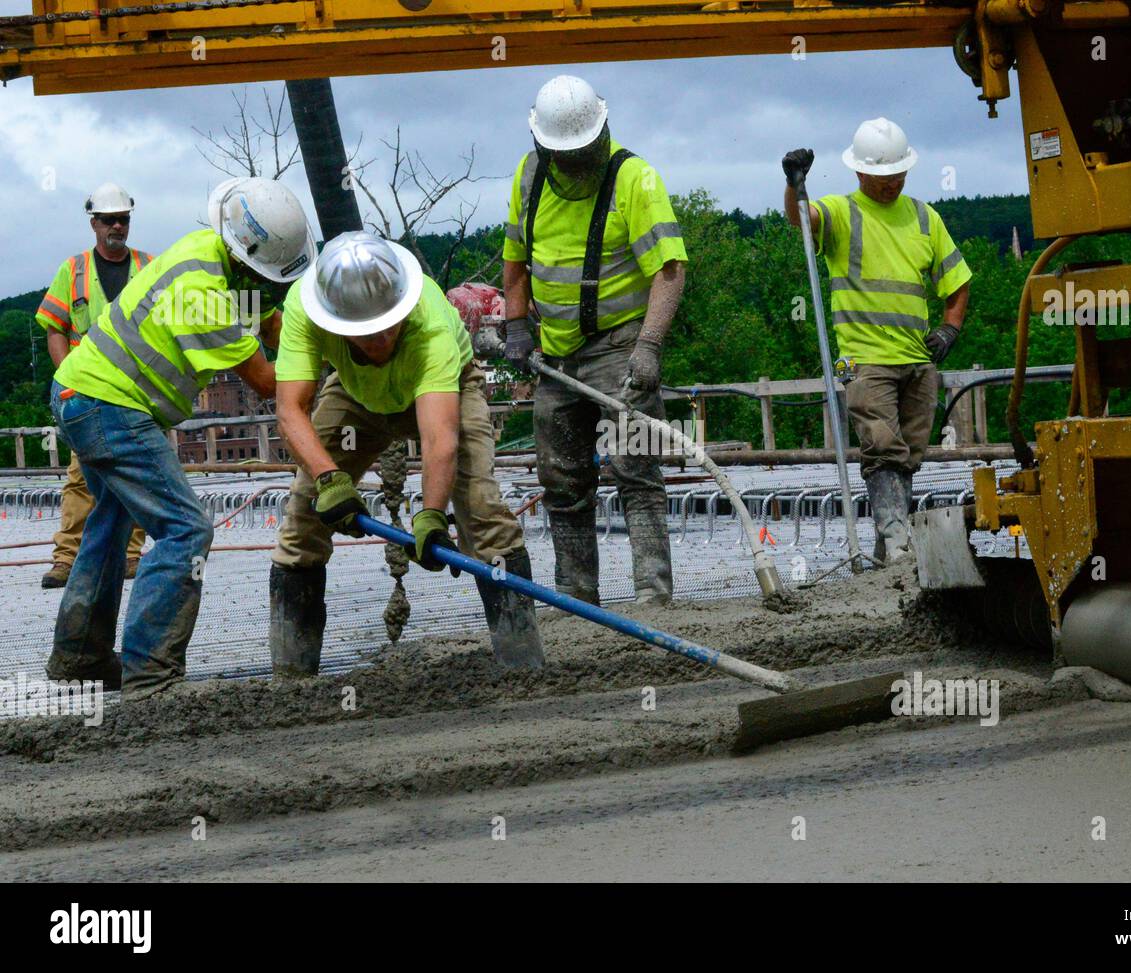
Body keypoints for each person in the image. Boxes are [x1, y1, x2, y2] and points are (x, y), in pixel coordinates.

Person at [44, 177, 313, 698]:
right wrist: (328, 378)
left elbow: (271, 323)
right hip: (108, 407)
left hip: (81, 396)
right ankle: (150, 676)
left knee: (109, 523)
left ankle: (79, 656)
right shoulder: (204, 295)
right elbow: (267, 384)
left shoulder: (207, 251)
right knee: (186, 529)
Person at [269, 231, 544, 675]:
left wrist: (432, 515)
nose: (378, 341)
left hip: (446, 387)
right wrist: (328, 479)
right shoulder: (305, 307)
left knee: (483, 514)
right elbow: (289, 410)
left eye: (386, 327)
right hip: (356, 396)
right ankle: (293, 681)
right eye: (365, 333)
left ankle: (523, 669)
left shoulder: (429, 322)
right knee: (304, 515)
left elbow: (439, 439)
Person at [501, 75, 688, 606]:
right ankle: (576, 599)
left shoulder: (635, 179)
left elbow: (669, 271)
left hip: (618, 347)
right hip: (557, 357)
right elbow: (515, 261)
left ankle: (654, 599)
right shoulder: (529, 175)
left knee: (636, 472)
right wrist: (517, 326)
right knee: (563, 482)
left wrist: (649, 345)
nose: (573, 164)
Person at [783, 118, 972, 561]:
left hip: (917, 359)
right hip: (864, 359)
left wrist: (950, 327)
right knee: (883, 447)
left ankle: (888, 549)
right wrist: (795, 185)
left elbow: (957, 281)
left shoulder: (925, 217)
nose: (891, 184)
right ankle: (899, 544)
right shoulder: (842, 212)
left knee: (908, 455)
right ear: (859, 172)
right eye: (883, 177)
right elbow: (800, 219)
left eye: (898, 176)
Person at [34, 183, 151, 588]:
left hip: (135, 389)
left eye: (123, 218)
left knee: (137, 472)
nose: (117, 225)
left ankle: (131, 555)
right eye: (109, 219)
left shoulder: (149, 267)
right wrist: (68, 382)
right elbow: (55, 329)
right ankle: (67, 559)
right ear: (94, 223)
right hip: (87, 390)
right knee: (82, 475)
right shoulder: (74, 270)